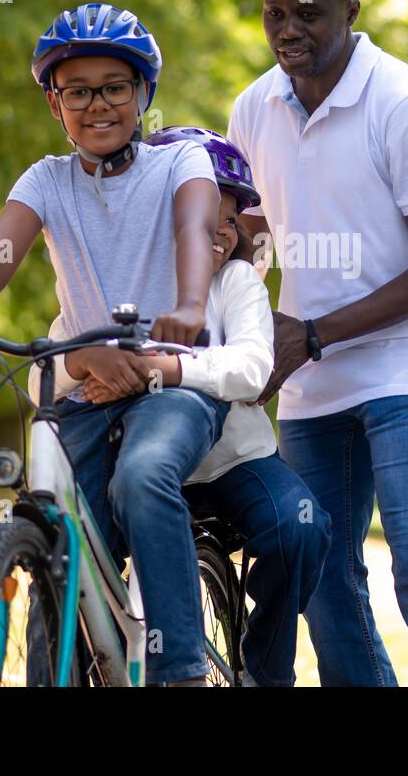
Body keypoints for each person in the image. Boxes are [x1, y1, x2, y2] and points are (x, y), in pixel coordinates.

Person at [0, 2, 226, 685]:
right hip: (87, 389)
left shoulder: (180, 163)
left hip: (173, 381)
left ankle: (181, 669)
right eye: (78, 90)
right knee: (51, 516)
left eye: (115, 86)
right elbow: (0, 252)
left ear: (143, 96)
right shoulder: (46, 180)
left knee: (142, 476)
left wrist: (191, 305)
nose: (97, 103)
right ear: (55, 103)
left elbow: (196, 228)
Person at [227, 0, 408, 686]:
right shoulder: (254, 107)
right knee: (322, 574)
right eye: (273, 13)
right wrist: (244, 331)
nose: (287, 29)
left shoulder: (406, 106)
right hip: (312, 376)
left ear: (351, 10)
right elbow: (250, 237)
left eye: (306, 13)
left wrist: (310, 334)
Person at [33, 126, 330, 687]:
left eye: (228, 220)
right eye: (201, 218)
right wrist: (83, 366)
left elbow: (250, 368)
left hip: (230, 464)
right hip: (135, 466)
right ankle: (95, 660)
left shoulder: (237, 282)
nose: (217, 232)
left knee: (300, 526)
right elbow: (41, 375)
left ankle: (263, 671)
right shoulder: (120, 282)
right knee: (74, 550)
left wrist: (161, 370)